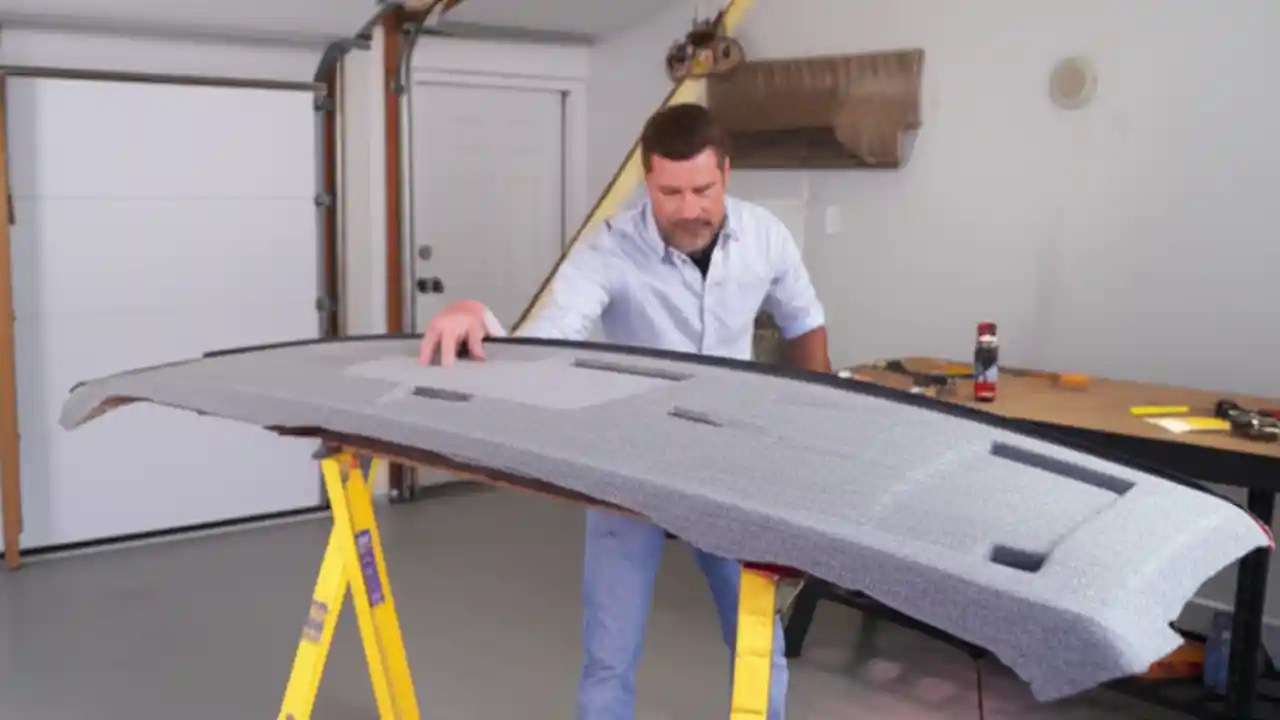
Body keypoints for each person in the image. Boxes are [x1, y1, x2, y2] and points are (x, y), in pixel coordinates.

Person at [418, 102, 831, 720]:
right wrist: (476, 315)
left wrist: (817, 427)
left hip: (729, 463)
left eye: (703, 189)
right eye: (670, 192)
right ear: (647, 182)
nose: (689, 208)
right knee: (608, 655)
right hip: (630, 461)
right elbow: (548, 341)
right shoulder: (609, 250)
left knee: (757, 643)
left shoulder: (765, 235)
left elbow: (805, 319)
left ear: (727, 172)